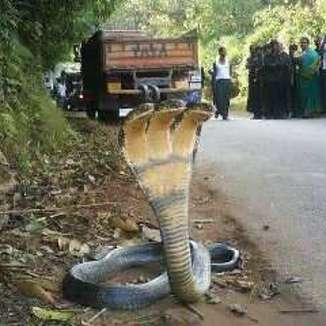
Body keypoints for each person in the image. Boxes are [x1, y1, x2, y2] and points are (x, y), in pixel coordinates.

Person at [295, 37, 320, 118]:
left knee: (312, 94)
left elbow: (318, 62)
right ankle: (305, 111)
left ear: (308, 43)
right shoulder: (298, 54)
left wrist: (312, 71)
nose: (303, 44)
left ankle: (311, 112)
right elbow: (296, 65)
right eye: (301, 43)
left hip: (312, 77)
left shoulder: (313, 53)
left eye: (304, 42)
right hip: (302, 77)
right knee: (303, 95)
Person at [263, 40, 286, 119]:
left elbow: (282, 64)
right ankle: (269, 113)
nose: (276, 47)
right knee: (269, 97)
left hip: (278, 79)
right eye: (275, 45)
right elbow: (267, 65)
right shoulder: (267, 56)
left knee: (278, 97)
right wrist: (276, 65)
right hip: (270, 80)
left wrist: (276, 65)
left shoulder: (279, 55)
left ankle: (277, 113)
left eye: (277, 45)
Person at [214, 46, 232, 120]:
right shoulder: (216, 61)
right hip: (219, 81)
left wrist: (231, 79)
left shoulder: (228, 61)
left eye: (225, 51)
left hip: (227, 80)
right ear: (220, 52)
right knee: (219, 98)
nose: (225, 52)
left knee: (226, 98)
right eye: (223, 51)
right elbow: (214, 73)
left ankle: (225, 114)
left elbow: (230, 71)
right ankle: (219, 111)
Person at [319, 35, 326, 113]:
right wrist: (323, 41)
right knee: (324, 89)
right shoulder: (324, 45)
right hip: (324, 69)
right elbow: (320, 52)